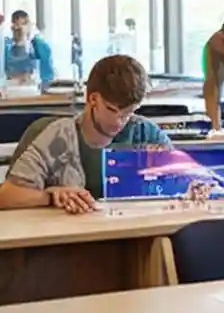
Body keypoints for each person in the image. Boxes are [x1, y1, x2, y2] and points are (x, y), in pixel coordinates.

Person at [0, 55, 171, 213]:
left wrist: (165, 173)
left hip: (134, 230)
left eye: (128, 113)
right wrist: (51, 196)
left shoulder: (145, 134)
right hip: (67, 233)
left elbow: (183, 183)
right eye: (112, 110)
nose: (120, 122)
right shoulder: (58, 137)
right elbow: (6, 196)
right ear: (93, 99)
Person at [3, 10, 55, 88]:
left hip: (33, 88)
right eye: (16, 24)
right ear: (12, 27)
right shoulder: (6, 47)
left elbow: (47, 75)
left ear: (29, 26)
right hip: (10, 88)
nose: (19, 28)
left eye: (23, 24)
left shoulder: (38, 46)